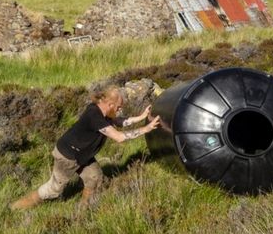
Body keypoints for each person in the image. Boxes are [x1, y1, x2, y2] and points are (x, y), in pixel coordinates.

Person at [9, 85, 161, 210]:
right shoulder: (94, 116)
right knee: (53, 190)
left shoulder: (104, 112)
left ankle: (83, 210)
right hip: (67, 156)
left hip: (82, 155)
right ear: (110, 105)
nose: (120, 110)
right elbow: (119, 137)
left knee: (94, 177)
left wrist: (141, 117)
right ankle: (16, 208)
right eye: (119, 107)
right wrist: (146, 129)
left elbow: (118, 121)